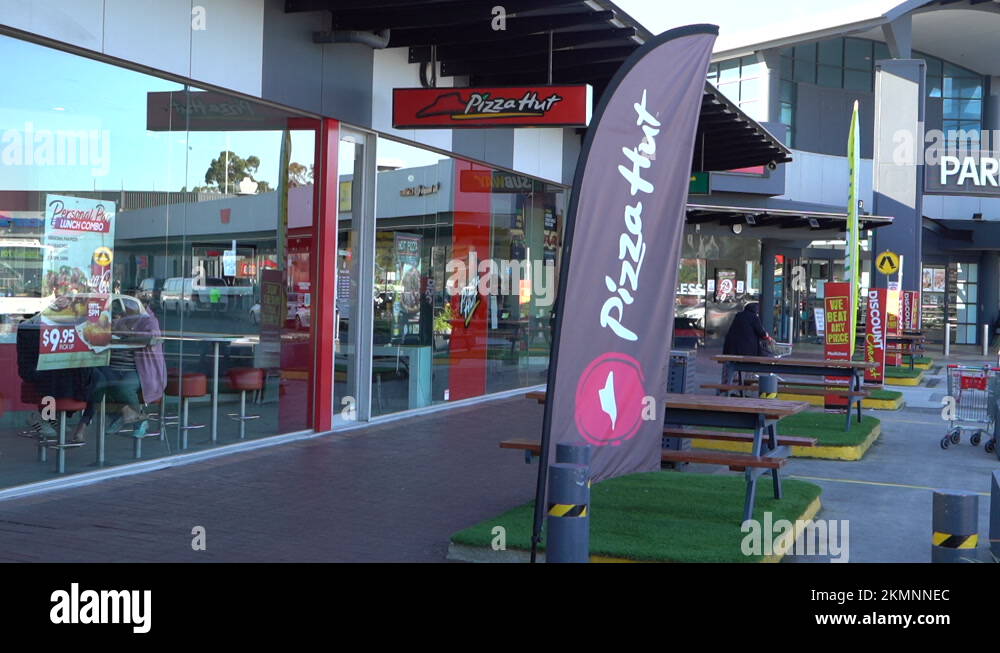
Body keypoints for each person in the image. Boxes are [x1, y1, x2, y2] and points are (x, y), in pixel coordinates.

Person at [70, 297, 166, 443]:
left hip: (137, 370)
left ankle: (137, 421)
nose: (125, 308)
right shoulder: (115, 320)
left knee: (122, 387)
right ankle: (122, 416)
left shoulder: (148, 321)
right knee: (101, 386)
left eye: (129, 306)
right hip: (112, 367)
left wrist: (125, 333)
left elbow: (148, 338)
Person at [721, 303, 774, 385]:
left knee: (732, 367)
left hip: (731, 348)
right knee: (750, 367)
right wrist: (767, 337)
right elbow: (761, 332)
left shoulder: (738, 316)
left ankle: (729, 386)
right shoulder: (753, 317)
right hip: (747, 350)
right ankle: (747, 386)